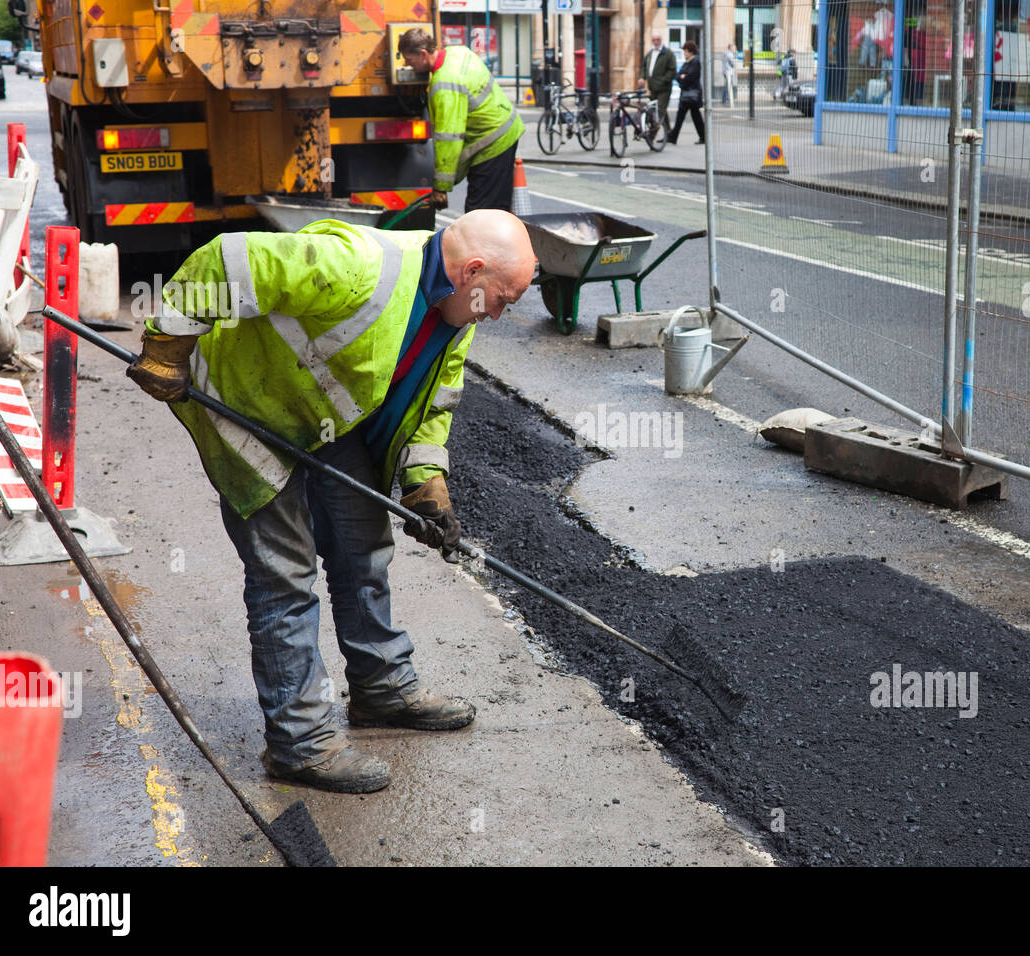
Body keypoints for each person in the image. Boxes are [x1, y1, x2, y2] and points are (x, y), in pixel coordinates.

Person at [125, 210, 537, 794]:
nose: (499, 313)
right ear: (472, 270)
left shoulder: (457, 310)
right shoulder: (358, 266)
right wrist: (168, 342)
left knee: (362, 546)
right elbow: (227, 259)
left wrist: (426, 485)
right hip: (250, 408)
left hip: (323, 418)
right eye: (502, 298)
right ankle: (300, 743)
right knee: (285, 576)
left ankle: (380, 688)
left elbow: (431, 403)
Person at [398, 28, 524, 213]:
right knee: (495, 209)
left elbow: (449, 139)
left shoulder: (445, 85)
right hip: (503, 128)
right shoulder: (457, 52)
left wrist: (441, 187)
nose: (409, 65)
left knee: (480, 214)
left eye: (410, 60)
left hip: (493, 140)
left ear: (423, 54)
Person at [666, 41, 705, 146]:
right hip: (687, 95)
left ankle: (674, 137)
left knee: (687, 116)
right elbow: (678, 75)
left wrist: (683, 78)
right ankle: (702, 136)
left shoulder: (695, 62)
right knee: (691, 116)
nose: (684, 53)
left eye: (685, 51)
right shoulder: (687, 62)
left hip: (692, 95)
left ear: (690, 51)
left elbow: (689, 78)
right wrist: (681, 77)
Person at [638, 31, 676, 134]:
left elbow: (672, 70)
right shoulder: (650, 53)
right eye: (653, 40)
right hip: (653, 87)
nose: (655, 42)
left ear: (661, 40)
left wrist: (664, 80)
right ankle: (668, 131)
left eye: (657, 40)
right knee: (658, 109)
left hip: (664, 88)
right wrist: (642, 77)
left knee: (658, 111)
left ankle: (652, 135)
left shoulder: (668, 53)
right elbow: (644, 67)